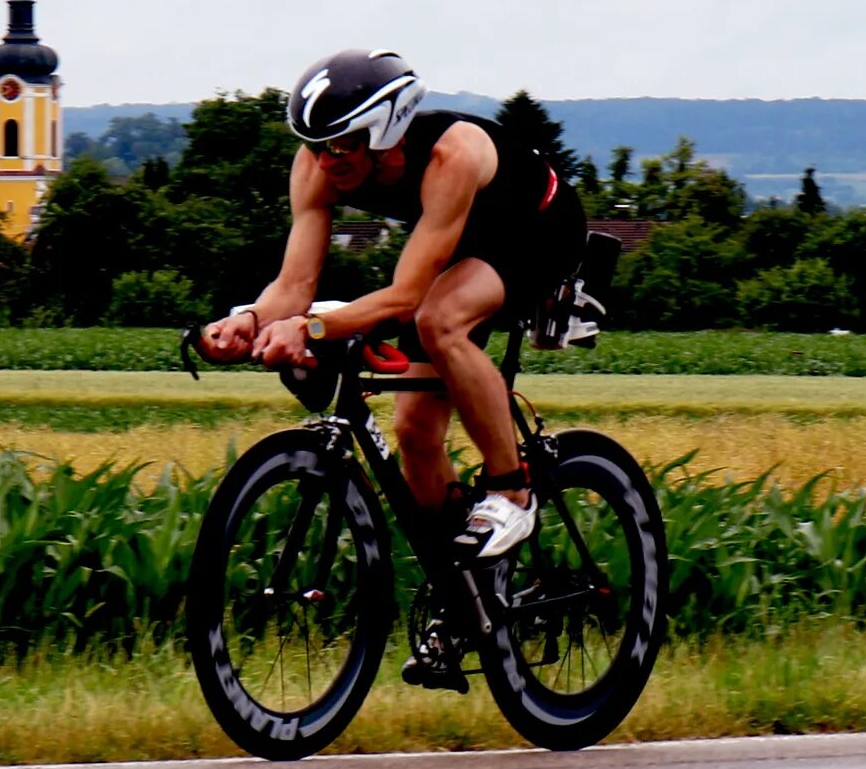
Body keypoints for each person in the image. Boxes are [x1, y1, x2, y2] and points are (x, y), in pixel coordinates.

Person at [198, 49, 584, 563]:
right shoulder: (317, 167)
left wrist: (310, 330)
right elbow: (293, 287)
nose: (326, 161)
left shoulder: (453, 154)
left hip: (538, 232)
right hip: (457, 245)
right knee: (415, 433)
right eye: (315, 146)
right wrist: (246, 319)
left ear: (385, 132)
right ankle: (466, 587)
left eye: (341, 145)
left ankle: (511, 490)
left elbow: (405, 299)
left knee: (439, 319)